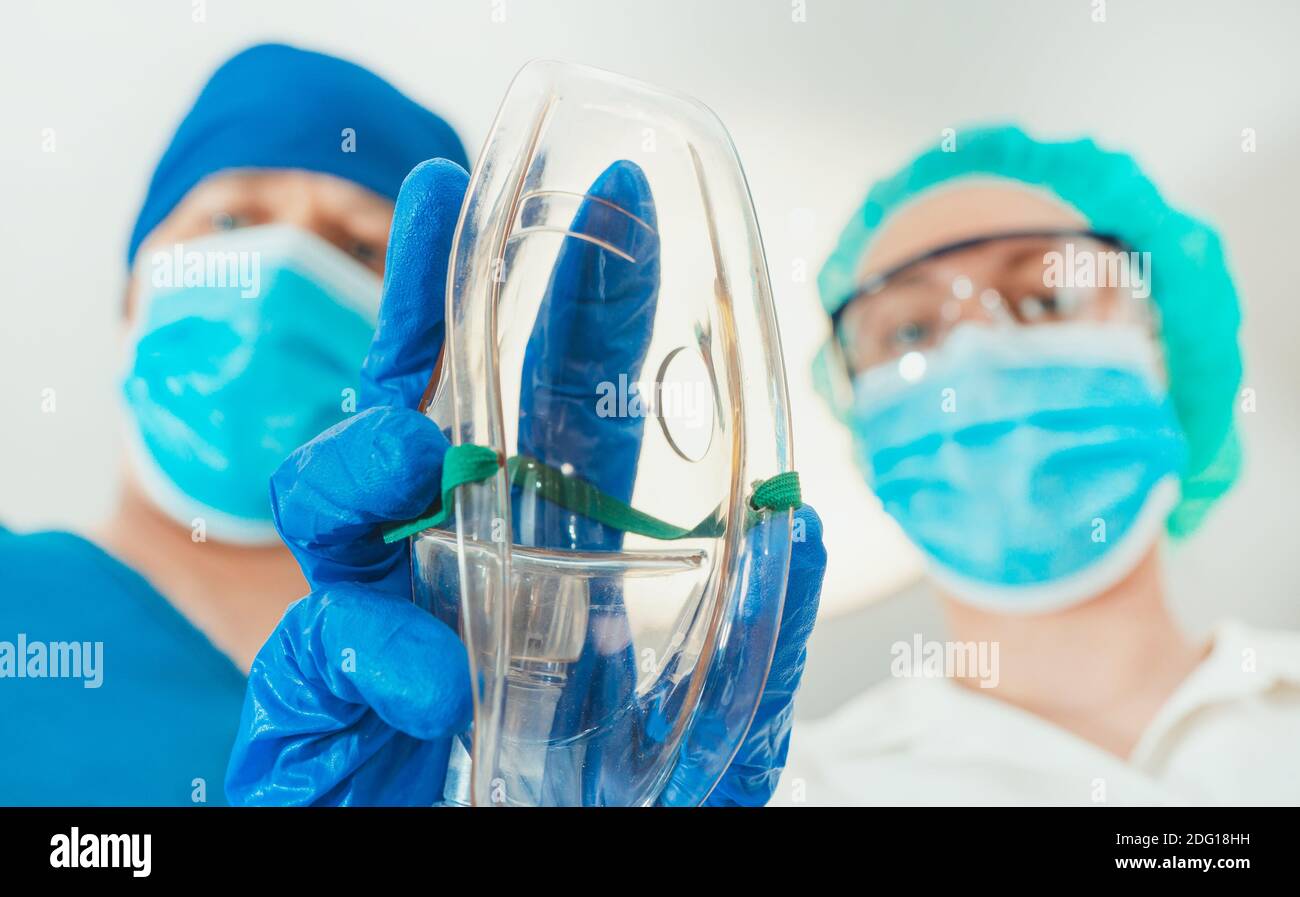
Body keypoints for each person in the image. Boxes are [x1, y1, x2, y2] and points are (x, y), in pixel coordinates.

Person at [773, 125, 1300, 807]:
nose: (974, 350)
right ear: (859, 423)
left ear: (1165, 352)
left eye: (1047, 297)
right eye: (909, 331)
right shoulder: (797, 787)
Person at [0, 43, 470, 805]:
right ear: (131, 298)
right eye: (229, 219)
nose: (282, 266)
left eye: (359, 245)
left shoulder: (495, 719)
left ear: (441, 350)